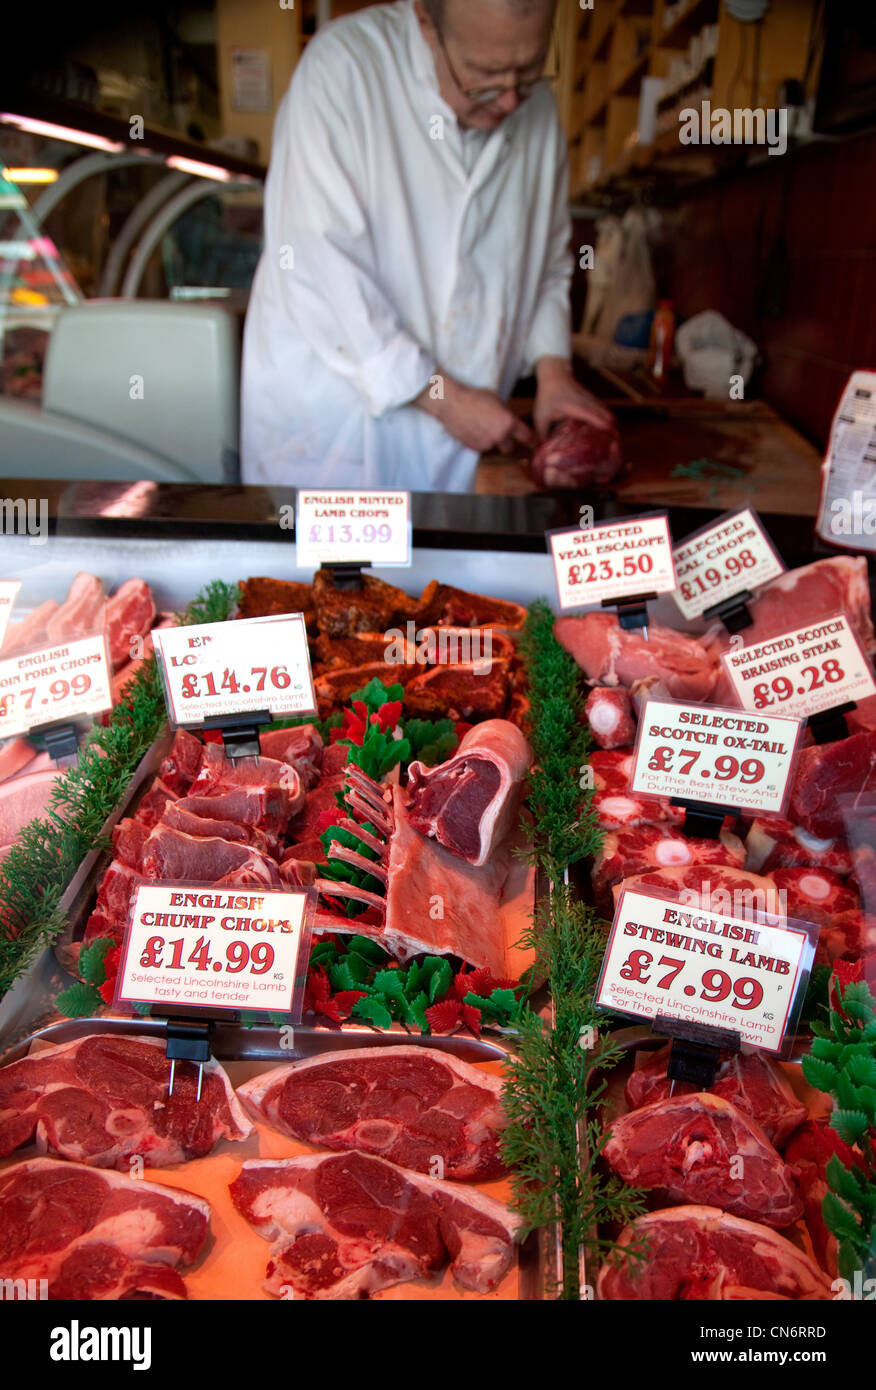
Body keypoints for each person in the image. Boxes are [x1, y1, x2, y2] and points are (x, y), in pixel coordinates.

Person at [241, 0, 611, 490]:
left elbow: (547, 265)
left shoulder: (536, 109)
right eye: (484, 74)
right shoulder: (343, 71)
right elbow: (321, 268)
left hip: (461, 441)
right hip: (336, 434)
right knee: (323, 570)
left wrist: (553, 371)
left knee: (445, 562)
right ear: (425, 22)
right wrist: (445, 399)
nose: (508, 102)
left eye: (530, 71)